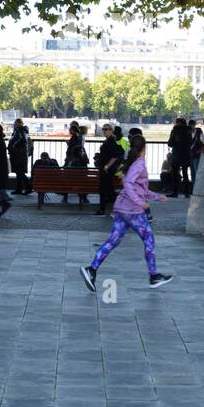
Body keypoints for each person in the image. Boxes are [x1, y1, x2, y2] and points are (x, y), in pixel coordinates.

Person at [80, 134, 172, 292]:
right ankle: (153, 276)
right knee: (149, 239)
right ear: (144, 147)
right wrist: (140, 203)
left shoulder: (131, 162)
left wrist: (157, 197)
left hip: (121, 209)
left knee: (112, 241)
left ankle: (91, 270)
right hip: (132, 211)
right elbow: (129, 184)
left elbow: (138, 188)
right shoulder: (139, 163)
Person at [95, 123, 125, 215]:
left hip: (107, 169)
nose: (104, 131)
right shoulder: (109, 140)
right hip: (106, 168)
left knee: (104, 189)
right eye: (103, 129)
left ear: (111, 130)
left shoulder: (111, 141)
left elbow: (114, 156)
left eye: (106, 129)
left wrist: (107, 166)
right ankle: (111, 208)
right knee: (108, 190)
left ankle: (102, 209)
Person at [62, 120, 89, 207]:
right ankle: (83, 197)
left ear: (73, 130)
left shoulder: (74, 138)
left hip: (73, 163)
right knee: (81, 181)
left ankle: (65, 196)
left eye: (70, 129)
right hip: (79, 164)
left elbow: (72, 149)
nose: (69, 131)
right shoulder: (80, 137)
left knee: (67, 179)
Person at [166, 117, 191, 197]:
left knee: (175, 174)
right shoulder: (189, 130)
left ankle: (175, 192)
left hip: (177, 155)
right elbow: (191, 142)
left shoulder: (175, 130)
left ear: (178, 123)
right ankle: (187, 192)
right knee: (185, 174)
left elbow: (170, 143)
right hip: (186, 155)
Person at [9, 118, 31, 195]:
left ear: (19, 123)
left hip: (19, 155)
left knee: (20, 172)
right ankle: (19, 189)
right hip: (19, 154)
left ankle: (28, 187)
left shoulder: (20, 130)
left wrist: (14, 145)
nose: (14, 124)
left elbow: (23, 140)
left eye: (15, 123)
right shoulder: (21, 130)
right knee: (19, 173)